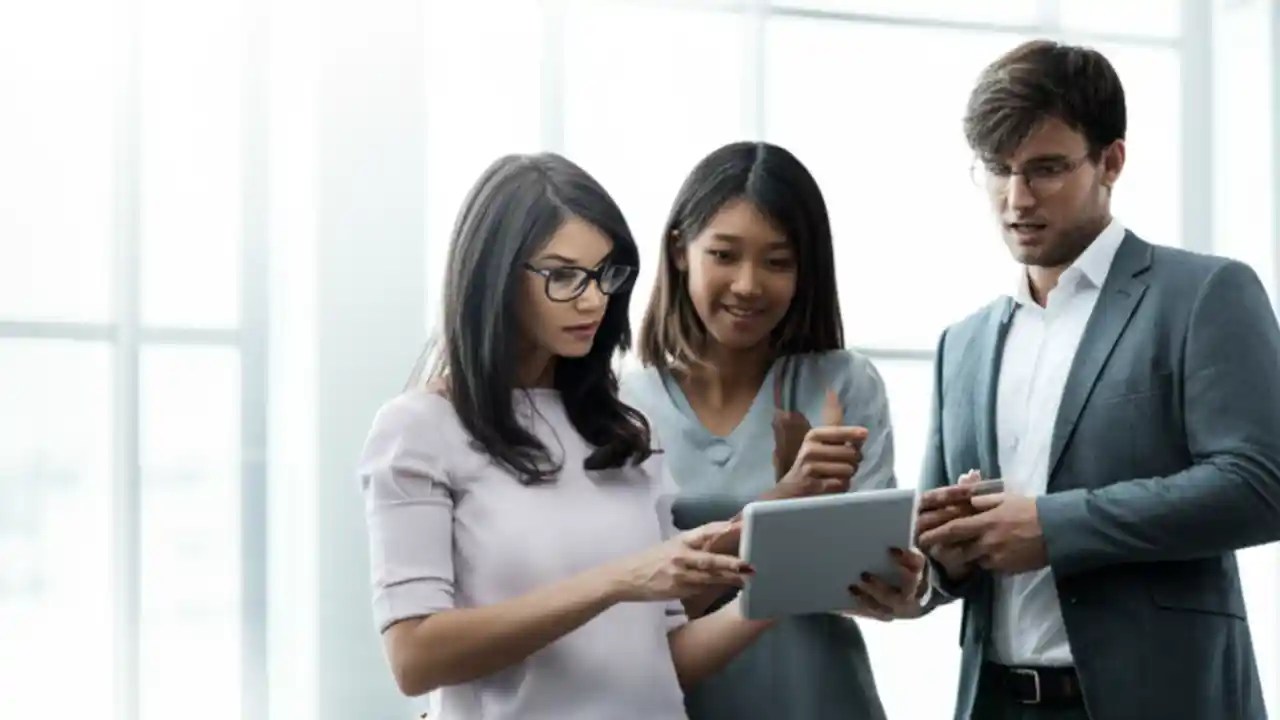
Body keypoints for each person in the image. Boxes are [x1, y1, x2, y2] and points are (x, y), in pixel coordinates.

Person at [911, 40, 1280, 720]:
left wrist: (1052, 525)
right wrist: (932, 567)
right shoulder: (959, 344)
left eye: (1046, 169)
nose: (1016, 199)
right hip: (996, 701)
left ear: (1112, 160)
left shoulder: (1206, 294)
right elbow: (943, 552)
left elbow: (1260, 484)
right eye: (998, 170)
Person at [356, 152, 775, 720]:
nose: (593, 299)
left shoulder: (625, 427)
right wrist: (618, 580)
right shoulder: (418, 430)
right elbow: (414, 658)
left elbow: (662, 656)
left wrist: (778, 596)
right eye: (562, 276)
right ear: (494, 276)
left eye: (606, 274)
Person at [622, 140, 927, 720]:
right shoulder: (621, 409)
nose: (748, 285)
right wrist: (790, 505)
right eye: (725, 254)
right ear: (680, 251)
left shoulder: (842, 385)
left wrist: (904, 586)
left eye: (778, 262)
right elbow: (627, 613)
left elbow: (872, 590)